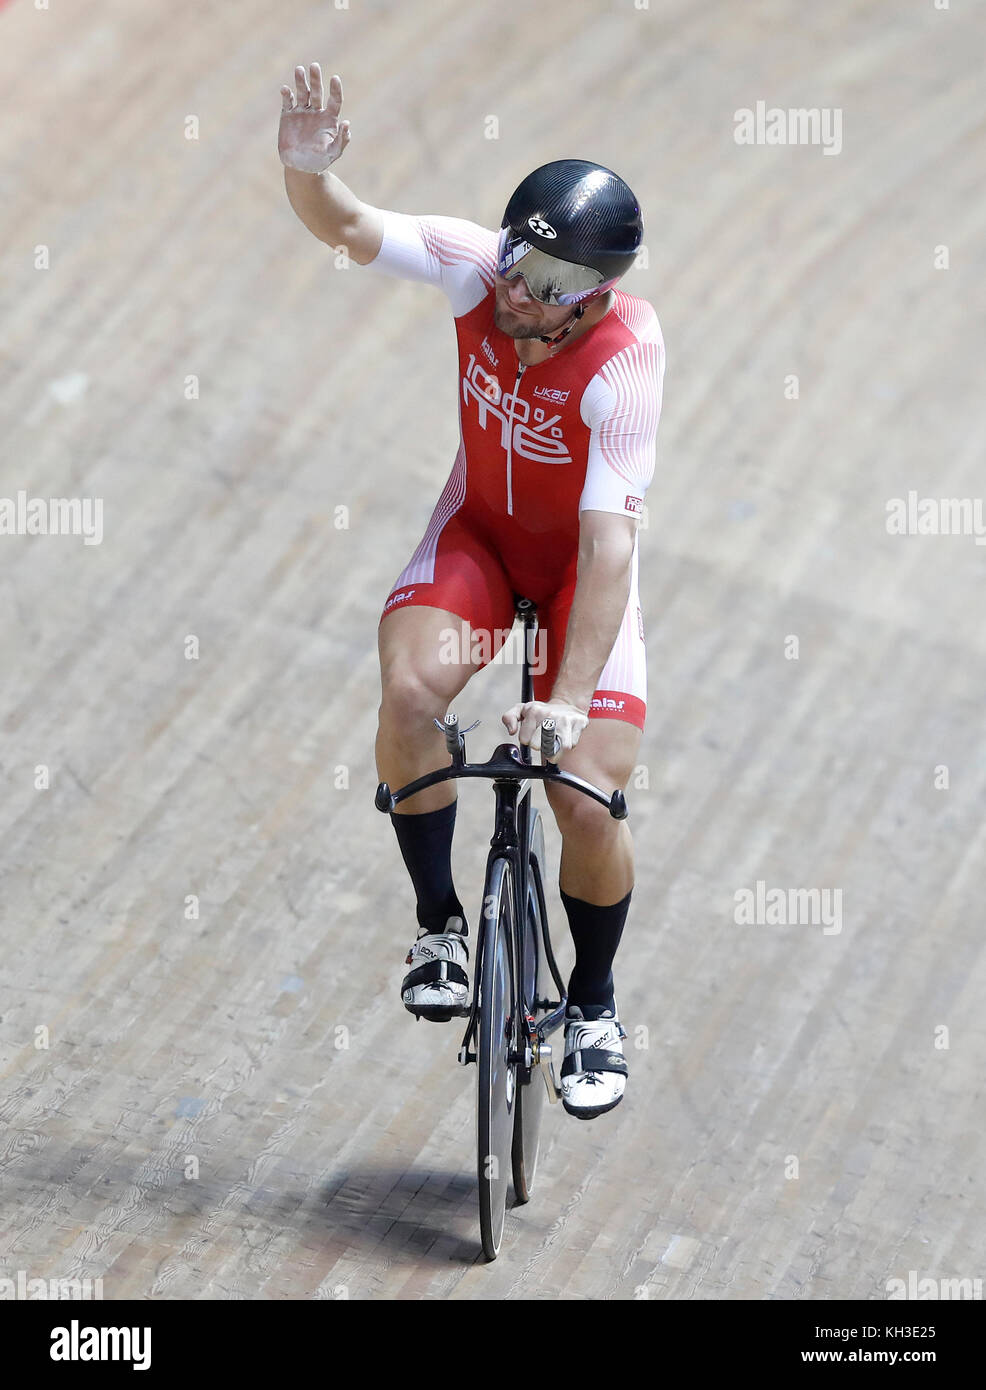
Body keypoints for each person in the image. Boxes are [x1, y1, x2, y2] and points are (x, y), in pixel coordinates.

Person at [279, 64, 665, 1120]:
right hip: (479, 545)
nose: (518, 289)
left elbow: (606, 540)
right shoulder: (472, 268)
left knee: (579, 794)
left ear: (594, 298)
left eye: (549, 283)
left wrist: (568, 696)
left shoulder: (624, 361)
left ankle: (589, 1003)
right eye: (516, 260)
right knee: (409, 700)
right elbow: (347, 222)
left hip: (581, 574)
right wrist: (307, 169)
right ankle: (441, 923)